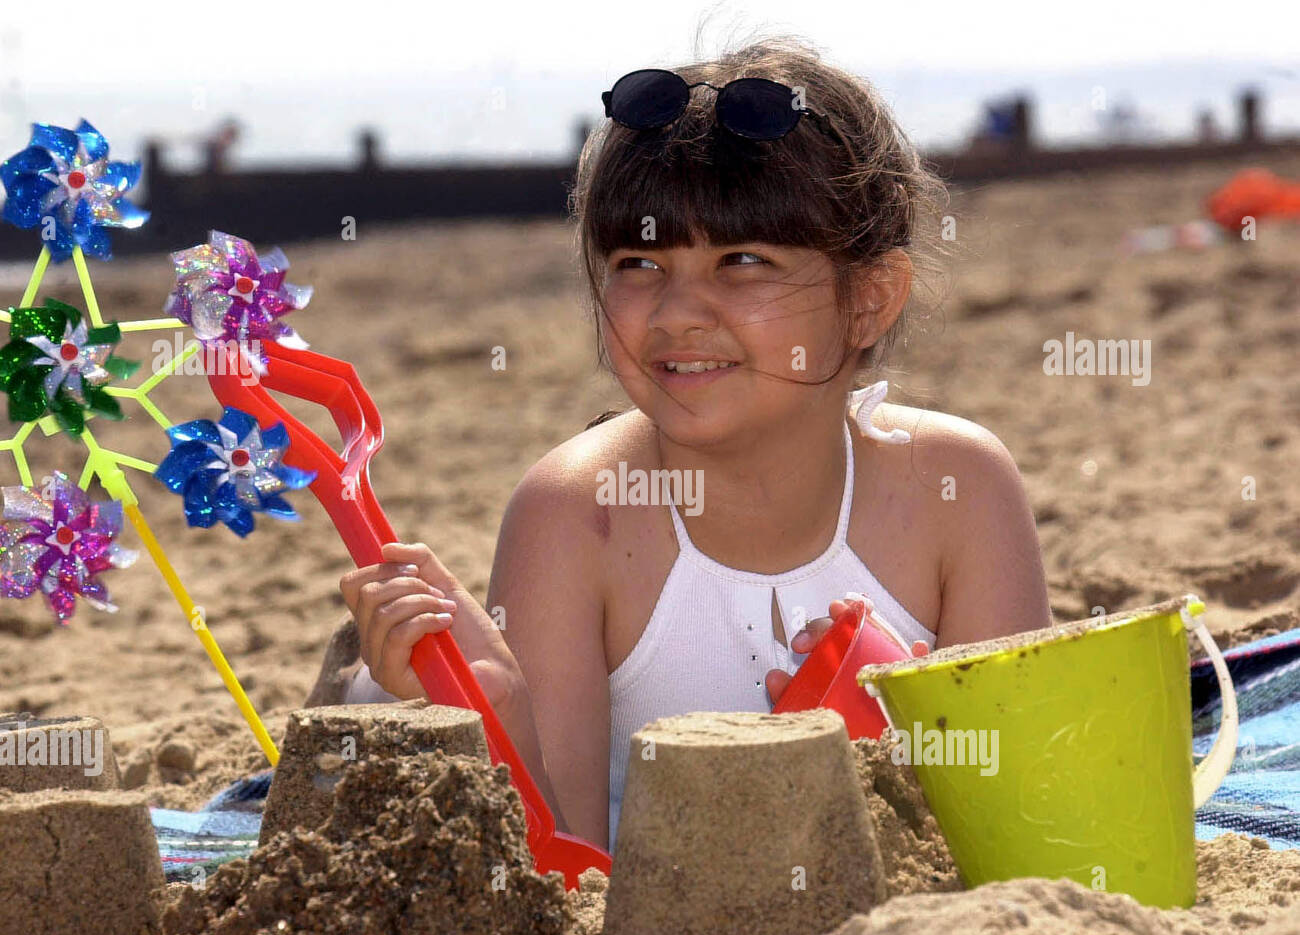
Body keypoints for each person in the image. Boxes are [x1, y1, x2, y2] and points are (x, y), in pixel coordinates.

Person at [338, 36, 1052, 854]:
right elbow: (567, 876)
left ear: (870, 298)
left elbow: (1021, 834)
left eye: (743, 260)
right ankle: (364, 682)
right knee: (381, 712)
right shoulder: (576, 515)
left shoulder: (956, 489)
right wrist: (498, 706)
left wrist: (908, 747)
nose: (679, 311)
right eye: (639, 262)